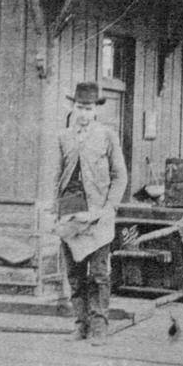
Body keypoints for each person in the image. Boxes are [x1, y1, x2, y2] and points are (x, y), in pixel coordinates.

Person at [50, 81, 128, 346]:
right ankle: (80, 325)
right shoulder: (63, 137)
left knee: (98, 273)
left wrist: (109, 208)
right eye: (80, 107)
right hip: (70, 207)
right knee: (75, 273)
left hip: (99, 210)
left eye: (89, 108)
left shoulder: (107, 136)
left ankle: (99, 327)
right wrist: (55, 211)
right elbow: (55, 177)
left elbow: (120, 176)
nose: (84, 113)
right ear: (73, 107)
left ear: (96, 110)